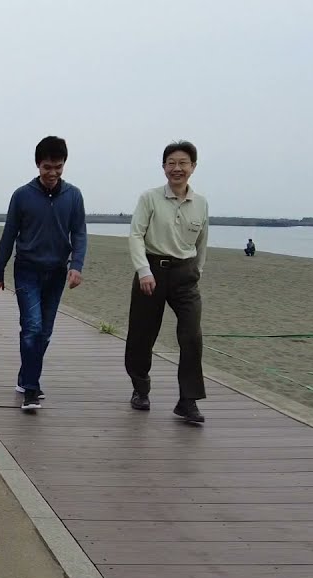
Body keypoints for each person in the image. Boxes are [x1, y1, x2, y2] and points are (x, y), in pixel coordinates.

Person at [0, 136, 87, 411]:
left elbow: (79, 233)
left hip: (56, 272)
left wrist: (76, 265)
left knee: (44, 332)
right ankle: (32, 389)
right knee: (31, 327)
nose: (53, 173)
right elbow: (8, 235)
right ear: (37, 165)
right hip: (27, 270)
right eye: (47, 167)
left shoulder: (73, 196)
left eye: (58, 166)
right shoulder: (22, 195)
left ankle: (25, 377)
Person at [124, 140, 209, 424]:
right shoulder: (149, 198)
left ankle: (188, 400)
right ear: (163, 168)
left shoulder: (201, 204)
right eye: (171, 163)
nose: (177, 168)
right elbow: (136, 235)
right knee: (142, 334)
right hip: (152, 271)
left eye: (183, 163)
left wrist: (197, 271)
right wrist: (143, 270)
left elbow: (202, 243)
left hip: (185, 276)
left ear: (193, 167)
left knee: (192, 336)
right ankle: (140, 388)